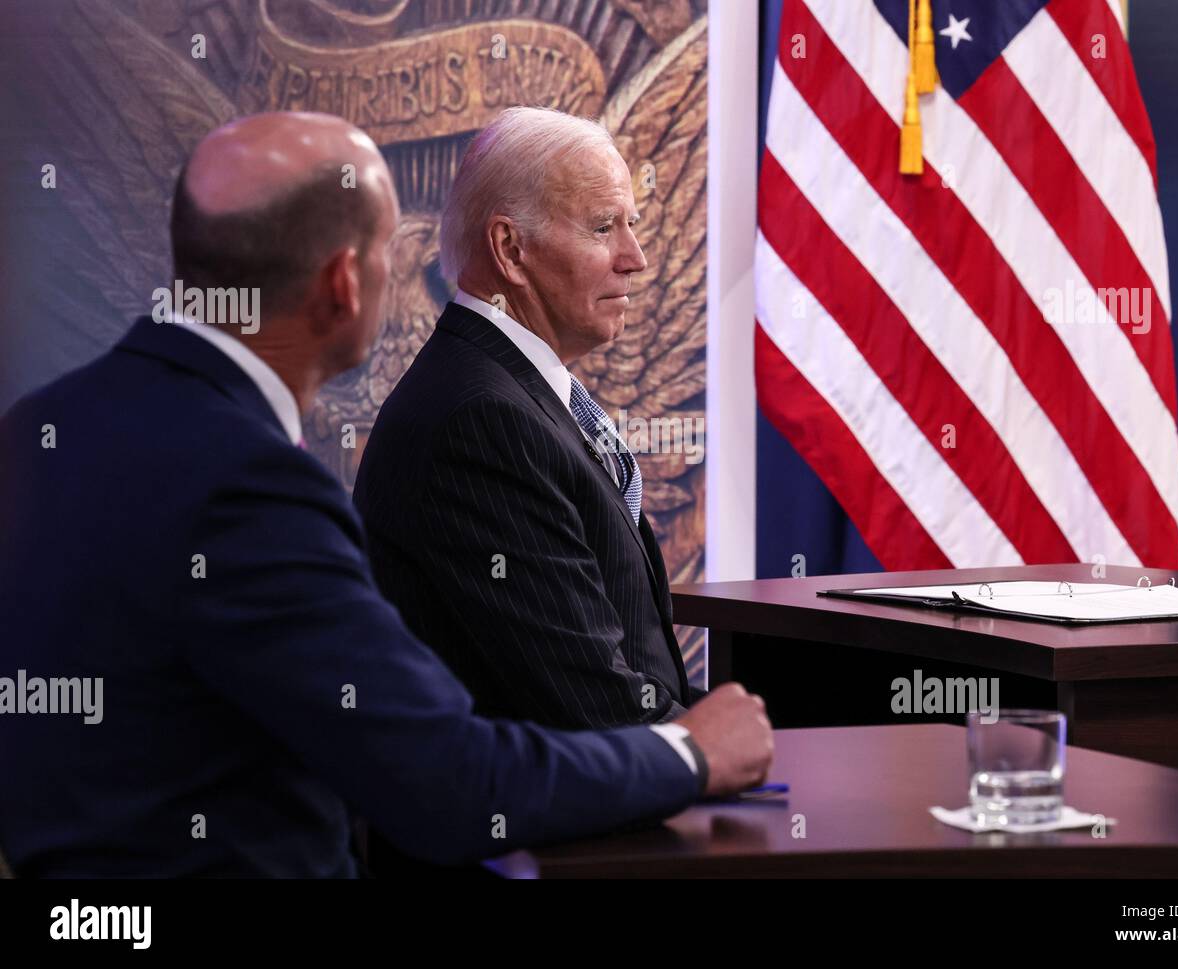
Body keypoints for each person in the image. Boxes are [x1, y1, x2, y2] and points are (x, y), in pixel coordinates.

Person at [0, 111, 772, 878]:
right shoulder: (253, 487)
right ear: (345, 282)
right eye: (389, 251)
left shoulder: (39, 428)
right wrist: (691, 752)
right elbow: (446, 780)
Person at [354, 107, 702, 731]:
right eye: (603, 228)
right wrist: (749, 754)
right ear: (511, 250)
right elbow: (594, 706)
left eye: (633, 225)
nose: (637, 257)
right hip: (546, 824)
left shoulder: (510, 391)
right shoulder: (484, 422)